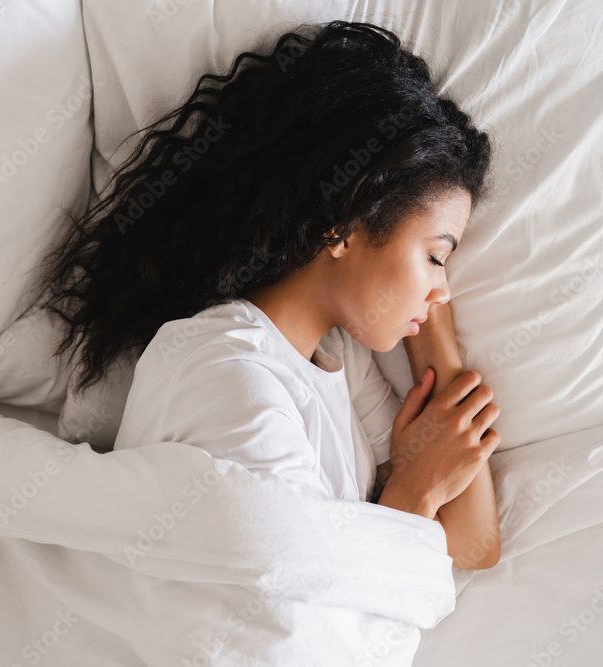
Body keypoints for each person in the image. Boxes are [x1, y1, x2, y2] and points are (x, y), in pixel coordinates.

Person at [36, 20, 501, 569]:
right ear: (344, 226)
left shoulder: (334, 363)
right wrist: (415, 492)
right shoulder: (229, 373)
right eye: (436, 255)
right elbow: (298, 613)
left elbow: (473, 545)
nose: (444, 289)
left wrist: (434, 338)